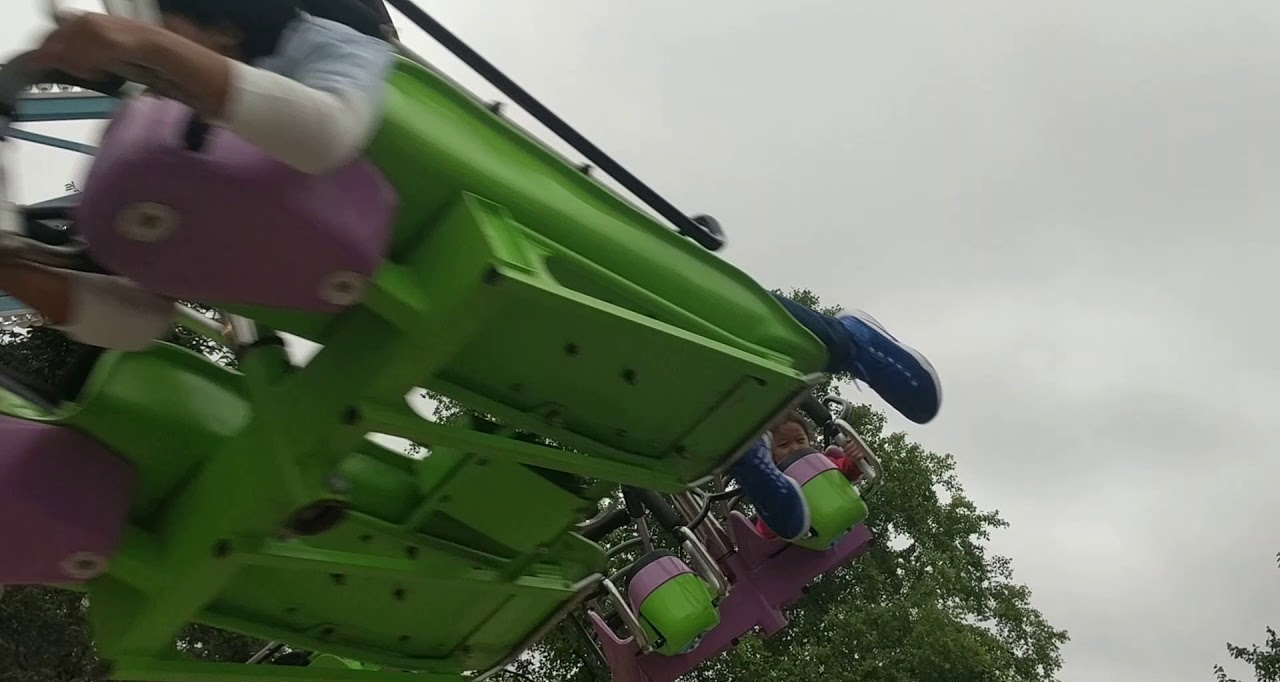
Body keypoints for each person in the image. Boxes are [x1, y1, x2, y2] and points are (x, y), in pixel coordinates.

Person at [1, 0, 941, 539]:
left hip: (493, 209)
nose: (167, 38)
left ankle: (834, 343)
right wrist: (21, 273)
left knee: (656, 295)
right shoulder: (183, 142)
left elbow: (326, 128)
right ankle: (740, 439)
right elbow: (140, 322)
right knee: (613, 379)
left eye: (179, 25)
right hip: (434, 306)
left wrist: (134, 44)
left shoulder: (310, 36)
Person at [0, 0, 395, 349]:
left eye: (161, 26)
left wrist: (149, 44)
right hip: (307, 279)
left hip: (387, 223)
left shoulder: (326, 39)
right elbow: (137, 323)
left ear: (223, 27)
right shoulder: (172, 126)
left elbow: (325, 137)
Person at [749, 411, 866, 541]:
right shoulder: (774, 484)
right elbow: (766, 531)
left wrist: (855, 457)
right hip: (798, 542)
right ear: (769, 454)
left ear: (809, 441)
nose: (795, 448)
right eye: (784, 445)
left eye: (800, 440)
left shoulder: (823, 464)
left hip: (838, 518)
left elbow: (848, 469)